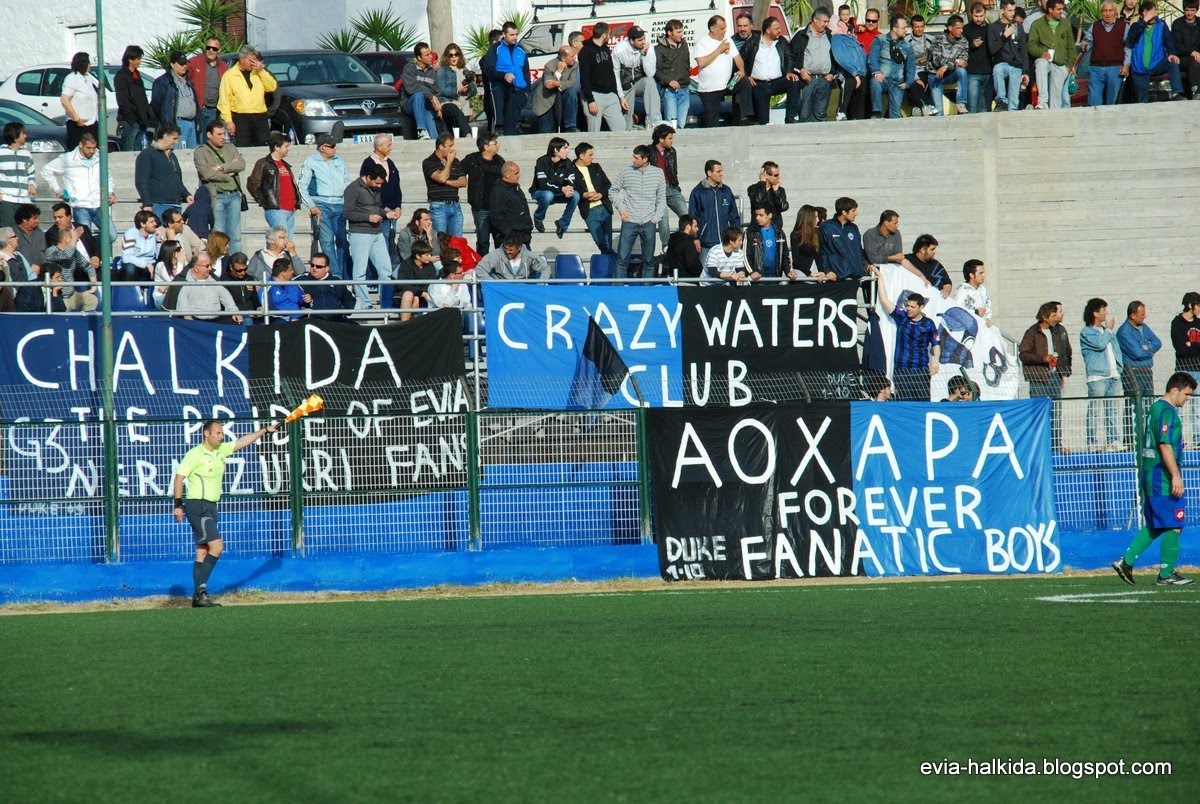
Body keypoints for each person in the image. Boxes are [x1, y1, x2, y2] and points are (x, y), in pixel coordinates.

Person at [173, 418, 281, 607]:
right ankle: (201, 591)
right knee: (217, 547)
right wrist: (177, 505)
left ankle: (198, 597)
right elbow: (179, 477)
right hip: (198, 506)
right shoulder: (195, 454)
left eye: (222, 433)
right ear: (207, 433)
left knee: (202, 551)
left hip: (211, 506)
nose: (221, 436)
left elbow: (243, 441)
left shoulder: (220, 450)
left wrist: (265, 430)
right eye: (218, 433)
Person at [1112, 372, 1198, 587]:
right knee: (1175, 522)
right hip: (1163, 476)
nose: (1189, 399)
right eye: (1187, 394)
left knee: (1156, 523)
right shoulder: (1167, 411)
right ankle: (1166, 573)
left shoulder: (1154, 409)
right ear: (1174, 390)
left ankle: (1126, 561)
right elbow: (1164, 444)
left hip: (1150, 473)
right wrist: (1176, 475)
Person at [874, 271, 941, 401]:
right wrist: (880, 277)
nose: (909, 309)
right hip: (902, 370)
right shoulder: (902, 316)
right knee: (905, 405)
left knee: (923, 405)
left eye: (912, 307)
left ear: (921, 307)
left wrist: (936, 362)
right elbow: (883, 299)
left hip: (920, 371)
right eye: (907, 306)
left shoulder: (928, 324)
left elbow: (936, 344)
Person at [1020, 301, 1073, 451]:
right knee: (1039, 414)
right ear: (1045, 316)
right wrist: (1043, 358)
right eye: (1054, 315)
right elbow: (1024, 354)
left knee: (1056, 413)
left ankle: (1056, 445)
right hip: (1038, 378)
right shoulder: (1032, 332)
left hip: (1054, 377)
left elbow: (1066, 352)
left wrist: (1063, 373)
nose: (1057, 317)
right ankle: (1038, 447)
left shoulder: (1059, 330)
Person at [41, 134, 116, 237]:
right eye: (88, 148)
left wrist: (110, 191)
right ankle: (91, 249)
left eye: (94, 148)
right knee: (85, 238)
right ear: (81, 145)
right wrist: (58, 189)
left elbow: (107, 176)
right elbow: (46, 170)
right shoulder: (68, 159)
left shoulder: (100, 157)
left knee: (111, 235)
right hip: (80, 205)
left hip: (99, 204)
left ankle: (95, 249)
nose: (92, 151)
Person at [297, 134, 349, 277]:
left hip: (340, 204)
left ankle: (345, 275)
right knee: (326, 242)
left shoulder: (340, 161)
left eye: (335, 145)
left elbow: (347, 182)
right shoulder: (310, 162)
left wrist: (348, 202)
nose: (335, 148)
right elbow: (302, 186)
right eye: (331, 146)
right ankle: (336, 276)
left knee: (343, 241)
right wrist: (311, 206)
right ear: (322, 148)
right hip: (321, 205)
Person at [612, 144, 666, 280]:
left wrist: (656, 218)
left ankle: (647, 292)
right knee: (622, 259)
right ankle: (618, 292)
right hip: (630, 221)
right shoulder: (626, 172)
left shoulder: (658, 173)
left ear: (645, 159)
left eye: (636, 158)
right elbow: (612, 191)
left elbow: (661, 199)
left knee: (649, 260)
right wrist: (621, 208)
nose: (633, 160)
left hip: (649, 222)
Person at [194, 121, 247, 255]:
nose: (223, 137)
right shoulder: (201, 151)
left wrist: (220, 168)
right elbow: (205, 173)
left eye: (224, 134)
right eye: (219, 134)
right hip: (216, 196)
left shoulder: (230, 147)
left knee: (235, 235)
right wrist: (228, 175)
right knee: (218, 234)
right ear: (209, 135)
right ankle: (219, 264)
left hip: (234, 195)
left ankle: (236, 262)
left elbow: (241, 164)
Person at [1080, 297, 1124, 451]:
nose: (1106, 313)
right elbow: (1099, 344)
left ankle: (1113, 440)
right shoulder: (1087, 332)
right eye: (1104, 310)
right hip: (1098, 376)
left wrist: (1119, 368)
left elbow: (1115, 349)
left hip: (1114, 375)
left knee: (1112, 410)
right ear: (1095, 313)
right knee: (1095, 410)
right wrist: (1109, 330)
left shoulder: (1106, 331)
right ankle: (1092, 443)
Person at [344, 163, 390, 310]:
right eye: (377, 182)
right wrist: (368, 217)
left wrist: (385, 213)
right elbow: (347, 213)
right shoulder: (353, 189)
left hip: (377, 233)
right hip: (360, 234)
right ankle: (365, 304)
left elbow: (376, 208)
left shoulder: (375, 188)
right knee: (360, 272)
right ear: (368, 177)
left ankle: (386, 303)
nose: (379, 186)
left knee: (386, 270)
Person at [1124, 1, 1187, 102]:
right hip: (1139, 69)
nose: (1154, 16)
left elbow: (1169, 40)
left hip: (1157, 64)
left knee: (1173, 61)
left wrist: (1172, 53)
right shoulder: (1136, 26)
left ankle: (1177, 93)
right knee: (1141, 101)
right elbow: (1130, 40)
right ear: (1142, 15)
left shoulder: (1161, 25)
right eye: (1151, 14)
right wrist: (1145, 20)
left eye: (1154, 13)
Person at [218, 45, 277, 146]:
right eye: (251, 60)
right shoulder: (229, 76)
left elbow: (272, 87)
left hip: (260, 116)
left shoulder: (258, 72)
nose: (253, 63)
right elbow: (224, 101)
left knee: (264, 147)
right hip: (241, 118)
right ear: (242, 59)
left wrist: (261, 71)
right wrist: (228, 121)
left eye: (255, 60)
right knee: (243, 147)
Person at [481, 21, 532, 136]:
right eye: (512, 35)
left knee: (511, 119)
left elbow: (525, 72)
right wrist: (503, 75)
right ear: (504, 34)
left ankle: (510, 132)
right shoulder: (496, 48)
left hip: (518, 88)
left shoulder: (521, 50)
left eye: (516, 34)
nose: (515, 37)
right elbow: (488, 68)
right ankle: (499, 125)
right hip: (501, 83)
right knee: (497, 90)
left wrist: (526, 90)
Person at [247, 132, 301, 239]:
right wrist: (266, 200)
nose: (288, 149)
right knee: (280, 242)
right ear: (276, 147)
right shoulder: (263, 163)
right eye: (286, 146)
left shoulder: (285, 165)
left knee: (288, 244)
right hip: (276, 210)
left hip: (290, 209)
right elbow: (252, 184)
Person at [790, 7, 839, 124]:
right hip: (807, 81)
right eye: (824, 21)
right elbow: (791, 57)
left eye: (828, 22)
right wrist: (800, 70)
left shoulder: (829, 36)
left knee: (821, 115)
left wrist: (832, 73)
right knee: (805, 114)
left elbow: (836, 57)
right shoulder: (801, 36)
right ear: (815, 20)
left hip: (825, 80)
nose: (826, 25)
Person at [694, 15, 745, 127]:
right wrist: (719, 50)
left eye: (725, 28)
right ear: (713, 29)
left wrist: (741, 70)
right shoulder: (702, 42)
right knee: (712, 119)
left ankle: (744, 117)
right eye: (722, 28)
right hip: (709, 89)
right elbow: (702, 63)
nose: (725, 31)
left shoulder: (727, 39)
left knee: (744, 82)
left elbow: (737, 58)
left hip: (727, 85)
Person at [135, 124, 192, 222]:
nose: (176, 142)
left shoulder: (172, 156)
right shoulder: (147, 154)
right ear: (165, 136)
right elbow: (141, 181)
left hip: (176, 205)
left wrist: (186, 194)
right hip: (159, 205)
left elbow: (177, 180)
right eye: (174, 138)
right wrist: (147, 203)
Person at [579, 22, 628, 132]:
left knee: (621, 129)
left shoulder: (606, 49)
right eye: (610, 33)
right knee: (594, 131)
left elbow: (612, 73)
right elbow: (584, 78)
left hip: (610, 95)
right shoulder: (585, 51)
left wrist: (618, 96)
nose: (610, 36)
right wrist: (590, 100)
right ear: (604, 35)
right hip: (594, 95)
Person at [1027, 0, 1076, 109]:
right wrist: (1041, 52)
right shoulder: (1037, 24)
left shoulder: (1066, 23)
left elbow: (1071, 46)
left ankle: (1054, 119)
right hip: (1046, 61)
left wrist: (1068, 66)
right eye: (1059, 9)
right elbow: (1031, 45)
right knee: (1040, 63)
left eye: (1062, 9)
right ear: (1050, 10)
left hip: (1060, 65)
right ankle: (1042, 101)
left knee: (1056, 99)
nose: (1061, 12)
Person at [461, 132, 505, 255]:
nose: (498, 146)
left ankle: (499, 267)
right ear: (486, 146)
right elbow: (458, 174)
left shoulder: (500, 161)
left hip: (497, 208)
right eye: (495, 143)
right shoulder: (472, 159)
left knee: (500, 240)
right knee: (483, 241)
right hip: (480, 208)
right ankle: (482, 267)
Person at [688, 160, 739, 263]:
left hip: (726, 242)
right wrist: (695, 238)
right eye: (718, 171)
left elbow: (734, 216)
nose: (722, 174)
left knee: (728, 274)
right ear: (709, 173)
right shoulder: (697, 192)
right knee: (705, 275)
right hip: (706, 243)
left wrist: (737, 236)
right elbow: (692, 217)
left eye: (722, 171)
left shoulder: (726, 191)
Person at [174, 250, 243, 322]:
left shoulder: (214, 281)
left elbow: (226, 297)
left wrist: (234, 311)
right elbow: (183, 303)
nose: (210, 268)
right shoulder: (186, 283)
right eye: (207, 266)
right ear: (196, 268)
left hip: (216, 319)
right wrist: (187, 316)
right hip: (196, 320)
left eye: (210, 265)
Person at [649, 125, 688, 252]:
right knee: (663, 218)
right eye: (670, 138)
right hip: (656, 191)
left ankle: (687, 241)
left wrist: (676, 188)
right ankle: (666, 245)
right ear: (661, 139)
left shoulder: (672, 151)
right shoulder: (649, 151)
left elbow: (673, 172)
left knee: (686, 215)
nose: (672, 141)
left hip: (671, 187)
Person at [1117, 300, 1162, 408]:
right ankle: (1132, 426)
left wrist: (1147, 348)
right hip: (1133, 372)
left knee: (1148, 405)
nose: (1145, 316)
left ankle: (1146, 425)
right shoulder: (1124, 332)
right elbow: (1137, 353)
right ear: (1133, 315)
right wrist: (1150, 351)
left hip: (1146, 371)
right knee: (1134, 405)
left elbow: (1157, 343)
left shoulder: (1144, 327)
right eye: (1142, 314)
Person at [868, 16, 916, 118]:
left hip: (898, 83)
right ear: (894, 29)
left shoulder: (907, 45)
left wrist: (908, 83)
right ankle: (876, 112)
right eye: (903, 28)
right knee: (874, 81)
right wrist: (876, 72)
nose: (906, 30)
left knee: (895, 115)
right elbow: (873, 58)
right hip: (884, 79)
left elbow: (911, 66)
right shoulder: (880, 40)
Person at [1083, 2, 1130, 106]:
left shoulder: (1123, 26)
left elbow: (1128, 47)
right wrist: (1085, 45)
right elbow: (1088, 42)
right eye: (1105, 11)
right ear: (1101, 13)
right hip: (1096, 69)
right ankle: (1095, 122)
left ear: (1115, 12)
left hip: (1115, 69)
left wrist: (1126, 65)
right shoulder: (1095, 26)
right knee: (1093, 102)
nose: (1108, 14)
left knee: (1112, 102)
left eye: (1110, 10)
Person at [530, 137, 578, 238]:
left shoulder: (568, 162)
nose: (568, 151)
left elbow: (571, 180)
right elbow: (543, 184)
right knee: (548, 194)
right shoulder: (541, 161)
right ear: (556, 150)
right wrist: (561, 189)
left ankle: (562, 224)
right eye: (565, 148)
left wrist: (569, 188)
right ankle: (538, 218)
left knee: (576, 195)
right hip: (540, 192)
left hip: (558, 192)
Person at [614, 26, 661, 129]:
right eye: (640, 40)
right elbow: (615, 74)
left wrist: (645, 54)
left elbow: (650, 73)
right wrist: (621, 96)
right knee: (626, 118)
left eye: (644, 38)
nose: (643, 42)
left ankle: (653, 122)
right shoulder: (619, 50)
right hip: (625, 85)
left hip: (639, 83)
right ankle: (627, 131)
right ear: (631, 41)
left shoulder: (649, 48)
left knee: (650, 81)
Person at [151, 51, 200, 148]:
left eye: (185, 63)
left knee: (192, 154)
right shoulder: (163, 82)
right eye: (181, 64)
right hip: (177, 124)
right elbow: (157, 105)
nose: (184, 66)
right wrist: (167, 122)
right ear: (172, 65)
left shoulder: (188, 81)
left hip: (192, 123)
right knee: (179, 154)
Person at [43, 226, 98, 312]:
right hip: (59, 296)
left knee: (92, 300)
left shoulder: (74, 252)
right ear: (66, 239)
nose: (77, 241)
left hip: (72, 294)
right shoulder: (51, 251)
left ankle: (83, 322)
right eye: (73, 238)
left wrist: (93, 288)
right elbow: (66, 256)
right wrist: (74, 239)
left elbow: (88, 266)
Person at [401, 42, 448, 142]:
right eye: (427, 55)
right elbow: (412, 88)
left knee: (434, 137)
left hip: (427, 106)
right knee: (418, 95)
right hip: (411, 103)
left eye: (430, 53)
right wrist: (431, 96)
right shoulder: (409, 68)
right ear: (419, 57)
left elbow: (437, 92)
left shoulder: (432, 71)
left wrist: (438, 105)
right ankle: (421, 129)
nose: (431, 57)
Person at [573, 142, 614, 255]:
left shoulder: (596, 167)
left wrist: (600, 194)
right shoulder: (570, 170)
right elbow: (569, 189)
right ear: (581, 156)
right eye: (590, 155)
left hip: (604, 207)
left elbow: (607, 184)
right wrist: (584, 195)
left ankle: (611, 267)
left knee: (608, 243)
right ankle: (614, 263)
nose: (593, 157)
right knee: (601, 242)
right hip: (589, 210)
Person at [990, 1, 1031, 111]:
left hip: (1016, 64)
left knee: (1014, 102)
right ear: (1002, 11)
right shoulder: (993, 27)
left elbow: (1023, 50)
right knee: (998, 69)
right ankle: (1001, 100)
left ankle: (1012, 113)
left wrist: (1025, 71)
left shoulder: (1018, 27)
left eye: (1013, 10)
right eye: (1009, 10)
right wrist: (1004, 36)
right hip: (1001, 62)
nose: (1012, 13)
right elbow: (992, 49)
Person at [422, 133, 466, 237]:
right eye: (450, 146)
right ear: (441, 147)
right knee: (440, 241)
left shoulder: (456, 161)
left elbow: (464, 182)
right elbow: (441, 178)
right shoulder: (429, 162)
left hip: (455, 206)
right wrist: (449, 162)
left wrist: (448, 182)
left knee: (457, 242)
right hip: (439, 207)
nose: (453, 149)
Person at [1170, 291, 1200, 443]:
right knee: (1180, 405)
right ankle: (1178, 438)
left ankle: (1197, 438)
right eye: (1198, 305)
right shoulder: (1177, 323)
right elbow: (1181, 349)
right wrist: (1196, 346)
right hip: (1184, 369)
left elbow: (1188, 347)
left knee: (1198, 407)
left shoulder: (1199, 323)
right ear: (1190, 305)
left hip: (1198, 370)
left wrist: (1191, 344)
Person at [817, 197, 866, 284]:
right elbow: (822, 252)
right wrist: (826, 271)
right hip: (836, 277)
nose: (856, 213)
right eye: (853, 211)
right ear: (844, 212)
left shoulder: (854, 228)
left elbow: (859, 250)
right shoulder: (826, 227)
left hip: (854, 277)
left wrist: (864, 266)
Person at [187, 35, 229, 137]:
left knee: (211, 139)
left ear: (219, 50)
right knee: (198, 138)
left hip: (214, 110)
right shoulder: (194, 62)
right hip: (199, 108)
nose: (210, 50)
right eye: (208, 47)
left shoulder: (223, 67)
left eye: (214, 48)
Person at [530, 46, 578, 133]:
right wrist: (559, 71)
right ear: (563, 58)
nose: (574, 58)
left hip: (561, 98)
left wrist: (558, 83)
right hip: (546, 101)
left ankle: (570, 126)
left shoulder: (575, 65)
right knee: (546, 133)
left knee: (571, 92)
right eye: (572, 56)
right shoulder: (550, 65)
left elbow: (572, 82)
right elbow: (548, 85)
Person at [116, 45, 155, 151]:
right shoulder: (122, 76)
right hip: (131, 121)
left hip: (141, 119)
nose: (140, 61)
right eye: (138, 59)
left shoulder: (136, 74)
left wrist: (147, 114)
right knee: (128, 150)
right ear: (130, 59)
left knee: (138, 150)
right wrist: (131, 119)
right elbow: (122, 100)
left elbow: (141, 97)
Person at [655, 20, 692, 129]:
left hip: (684, 89)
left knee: (681, 124)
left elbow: (687, 63)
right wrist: (669, 81)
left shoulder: (684, 45)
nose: (681, 35)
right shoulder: (659, 49)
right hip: (669, 91)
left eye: (682, 31)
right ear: (669, 33)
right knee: (671, 126)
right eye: (678, 32)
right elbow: (656, 71)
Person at [930, 14, 970, 115]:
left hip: (951, 74)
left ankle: (961, 103)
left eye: (962, 28)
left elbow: (963, 62)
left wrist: (947, 65)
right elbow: (937, 60)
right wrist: (955, 61)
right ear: (950, 28)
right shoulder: (939, 38)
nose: (961, 30)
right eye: (958, 28)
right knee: (939, 111)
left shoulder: (963, 41)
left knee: (962, 71)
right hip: (936, 75)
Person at [60, 52, 101, 150]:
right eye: (88, 63)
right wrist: (77, 119)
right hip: (78, 125)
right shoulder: (72, 78)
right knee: (78, 151)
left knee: (93, 151)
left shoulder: (89, 77)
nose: (90, 65)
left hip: (92, 122)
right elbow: (65, 100)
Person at [435, 43, 475, 139]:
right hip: (448, 101)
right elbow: (442, 89)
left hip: (464, 102)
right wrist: (457, 90)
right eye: (451, 55)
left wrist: (468, 89)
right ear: (447, 57)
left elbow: (474, 90)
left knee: (460, 128)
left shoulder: (465, 70)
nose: (454, 57)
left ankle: (465, 137)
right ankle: (469, 135)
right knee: (456, 113)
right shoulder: (442, 71)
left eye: (456, 54)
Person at [297, 252, 354, 320]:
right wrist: (305, 303)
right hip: (311, 321)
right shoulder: (301, 280)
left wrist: (342, 311)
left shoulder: (336, 281)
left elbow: (350, 299)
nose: (314, 268)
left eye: (319, 266)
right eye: (312, 265)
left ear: (327, 268)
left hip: (336, 321)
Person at [488, 162, 533, 247]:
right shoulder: (498, 190)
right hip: (510, 241)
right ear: (507, 175)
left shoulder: (515, 188)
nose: (519, 175)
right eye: (516, 173)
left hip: (523, 237)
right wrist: (511, 236)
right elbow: (497, 217)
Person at [0, 123, 36, 229]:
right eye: (23, 133)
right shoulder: (1, 153)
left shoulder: (26, 154)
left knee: (28, 230)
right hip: (7, 200)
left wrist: (31, 184)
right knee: (9, 232)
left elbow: (31, 173)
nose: (26, 136)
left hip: (25, 200)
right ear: (15, 136)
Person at [394, 240, 438, 322]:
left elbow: (431, 284)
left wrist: (417, 296)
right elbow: (403, 284)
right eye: (427, 254)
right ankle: (404, 325)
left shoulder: (430, 266)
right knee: (408, 294)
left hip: (424, 296)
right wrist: (419, 294)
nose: (430, 256)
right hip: (403, 295)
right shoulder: (405, 265)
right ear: (418, 256)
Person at [964, 3, 995, 113]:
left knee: (985, 107)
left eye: (981, 16)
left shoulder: (990, 28)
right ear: (971, 14)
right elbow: (960, 50)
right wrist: (972, 45)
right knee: (972, 106)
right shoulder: (965, 29)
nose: (979, 19)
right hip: (972, 72)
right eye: (976, 16)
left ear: (985, 14)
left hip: (988, 71)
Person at [476, 234, 545, 281]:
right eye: (506, 248)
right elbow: (480, 269)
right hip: (501, 290)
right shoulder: (496, 255)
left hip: (524, 289)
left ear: (519, 248)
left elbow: (545, 268)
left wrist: (540, 283)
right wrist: (492, 283)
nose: (507, 252)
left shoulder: (530, 256)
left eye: (511, 250)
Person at [746, 162, 789, 232]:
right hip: (758, 231)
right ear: (766, 175)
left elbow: (784, 207)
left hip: (775, 230)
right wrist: (762, 183)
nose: (778, 177)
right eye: (776, 175)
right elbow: (758, 201)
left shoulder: (779, 190)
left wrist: (776, 191)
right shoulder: (753, 188)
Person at [263, 257, 308, 322]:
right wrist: (289, 319)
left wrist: (307, 300)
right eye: (290, 270)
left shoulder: (294, 285)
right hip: (280, 322)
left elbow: (303, 302)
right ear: (283, 274)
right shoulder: (267, 288)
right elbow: (270, 311)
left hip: (299, 319)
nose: (293, 272)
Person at [120, 209, 160, 281]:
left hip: (151, 262)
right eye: (151, 222)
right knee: (130, 269)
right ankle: (129, 291)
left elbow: (159, 256)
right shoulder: (131, 234)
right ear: (143, 224)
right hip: (135, 263)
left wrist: (159, 242)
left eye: (154, 221)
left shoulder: (155, 233)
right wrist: (145, 264)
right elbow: (126, 257)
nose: (155, 224)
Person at [1173, 0, 1200, 99]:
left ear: (1196, 10)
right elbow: (1177, 45)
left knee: (1196, 61)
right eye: (1187, 10)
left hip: (1198, 56)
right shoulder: (1177, 24)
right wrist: (1192, 52)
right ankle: (1196, 92)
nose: (1189, 13)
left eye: (1192, 10)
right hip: (1182, 58)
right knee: (1195, 62)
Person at [954, 259, 993, 325]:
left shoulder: (983, 289)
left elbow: (988, 307)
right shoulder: (962, 291)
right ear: (971, 275)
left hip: (983, 330)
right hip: (969, 331)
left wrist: (988, 318)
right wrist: (975, 312)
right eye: (980, 273)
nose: (984, 275)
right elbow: (956, 312)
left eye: (983, 273)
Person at [152, 238, 188, 309]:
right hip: (161, 298)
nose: (181, 251)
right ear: (170, 251)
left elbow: (188, 280)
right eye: (178, 249)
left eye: (181, 248)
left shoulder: (183, 262)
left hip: (177, 295)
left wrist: (167, 287)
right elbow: (176, 283)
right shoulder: (161, 265)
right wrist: (180, 263)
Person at [790, 204, 821, 277]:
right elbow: (796, 261)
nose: (818, 220)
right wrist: (810, 273)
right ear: (808, 218)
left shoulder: (817, 234)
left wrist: (822, 272)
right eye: (815, 217)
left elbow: (819, 257)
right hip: (802, 276)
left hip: (817, 276)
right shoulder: (796, 235)